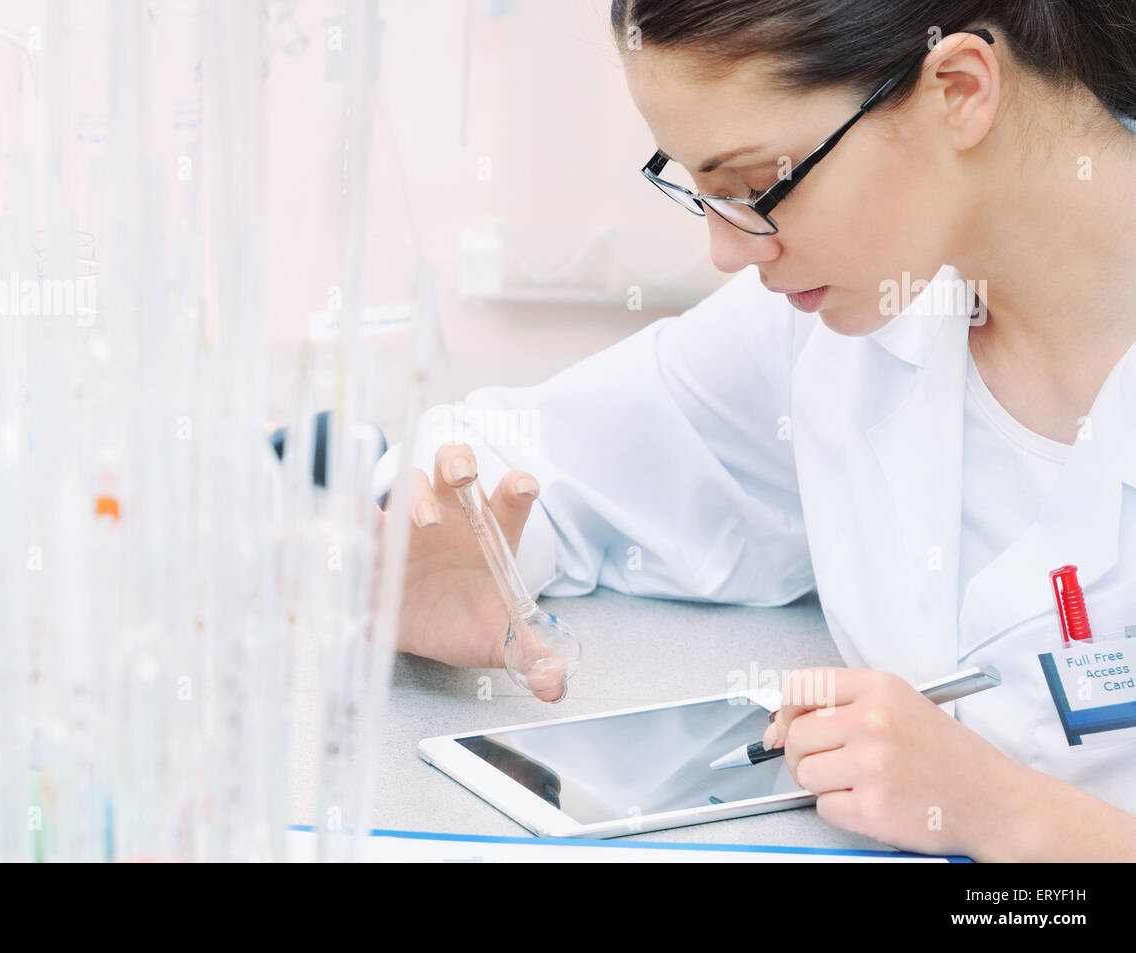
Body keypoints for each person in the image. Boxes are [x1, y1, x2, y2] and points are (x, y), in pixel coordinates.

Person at [378, 0, 1136, 860]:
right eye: (699, 188)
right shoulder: (852, 320)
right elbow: (528, 452)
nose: (728, 252)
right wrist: (459, 554)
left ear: (958, 90)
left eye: (753, 187)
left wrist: (1006, 814)